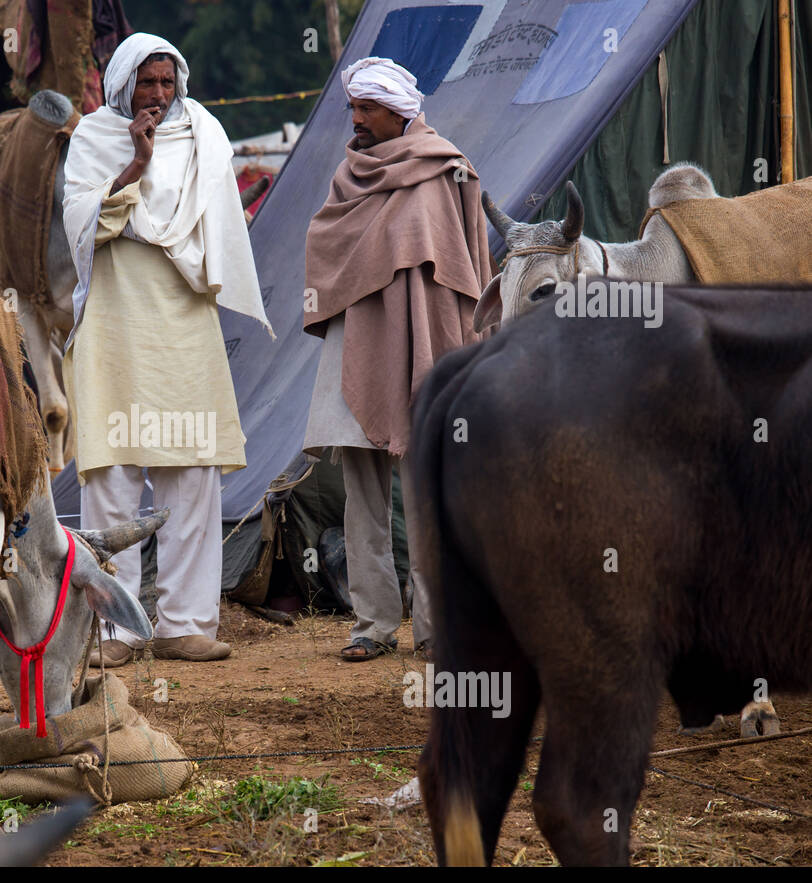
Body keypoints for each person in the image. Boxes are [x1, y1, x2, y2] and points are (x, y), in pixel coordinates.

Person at [61, 33, 271, 665]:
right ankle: (117, 630)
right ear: (122, 84)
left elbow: (217, 232)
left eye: (166, 82)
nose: (157, 95)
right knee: (112, 477)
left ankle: (185, 624)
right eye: (146, 83)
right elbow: (81, 225)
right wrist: (133, 164)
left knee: (192, 473)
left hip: (182, 323)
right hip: (115, 324)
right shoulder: (93, 138)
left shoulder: (205, 135)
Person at [301, 57, 494, 661]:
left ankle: (437, 626)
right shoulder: (348, 175)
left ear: (398, 111)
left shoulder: (447, 169)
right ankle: (373, 624)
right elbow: (324, 243)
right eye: (352, 108)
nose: (355, 121)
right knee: (361, 487)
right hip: (358, 341)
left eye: (367, 110)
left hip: (428, 338)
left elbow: (468, 260)